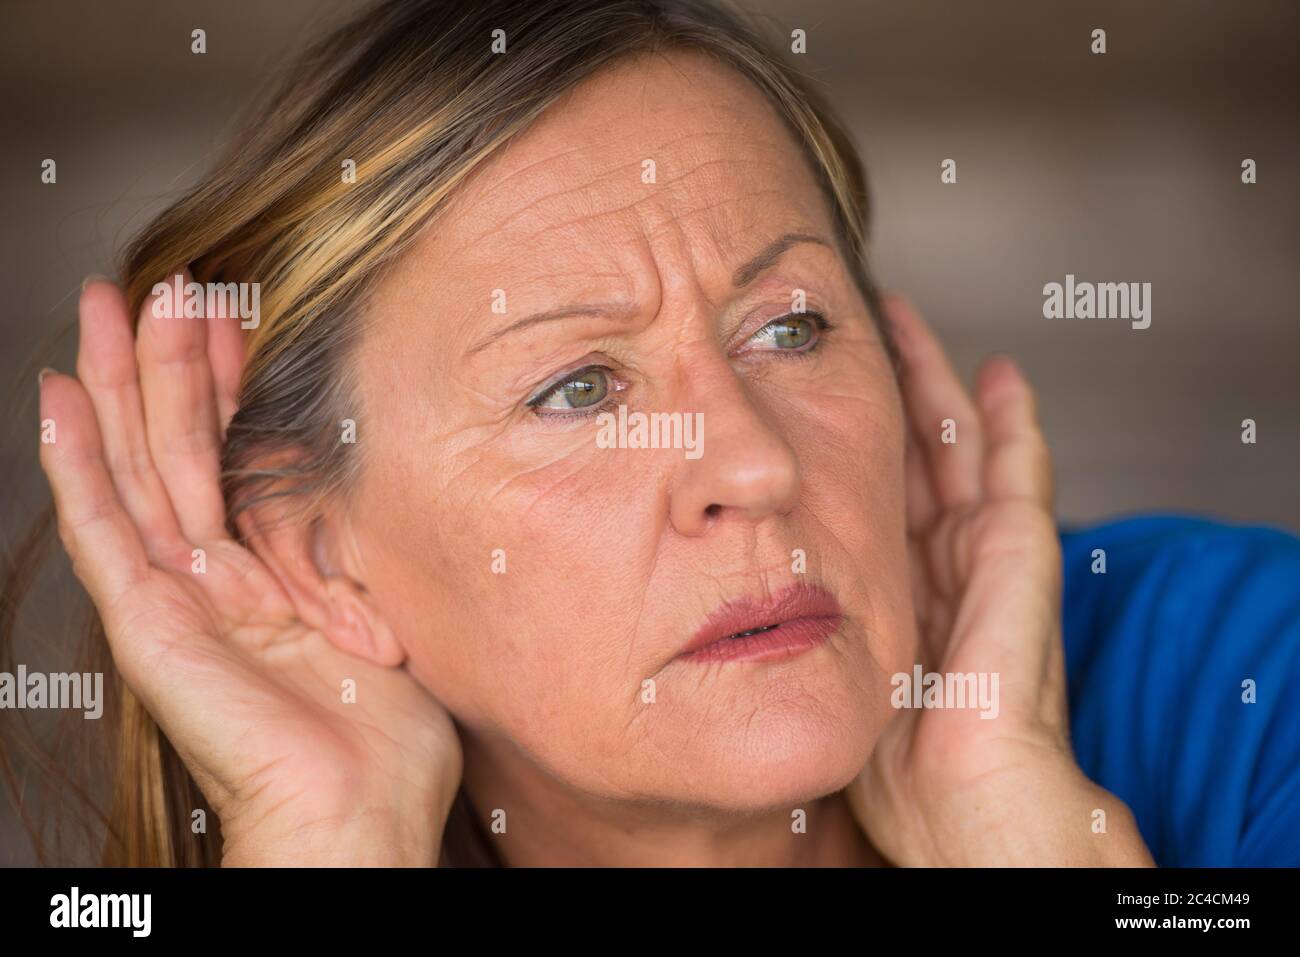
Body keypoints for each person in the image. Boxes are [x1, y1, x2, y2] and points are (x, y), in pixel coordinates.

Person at [7, 0, 1296, 867]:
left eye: (789, 329)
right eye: (577, 388)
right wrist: (323, 838)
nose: (755, 462)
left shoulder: (1244, 674)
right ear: (326, 568)